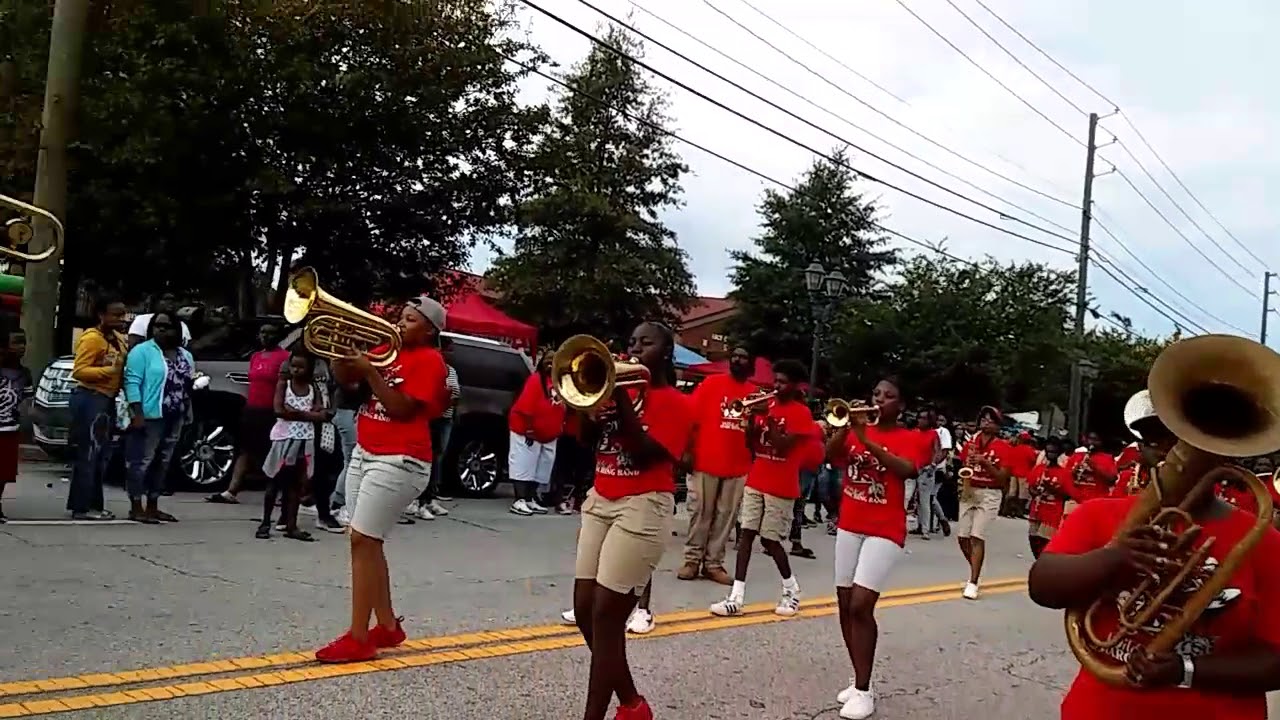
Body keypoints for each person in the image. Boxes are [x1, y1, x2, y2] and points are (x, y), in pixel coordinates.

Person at [1027, 422, 1280, 719]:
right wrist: (1114, 559)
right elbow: (1042, 586)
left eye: (1180, 439)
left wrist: (1184, 670)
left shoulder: (1266, 543)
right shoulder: (1097, 514)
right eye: (1153, 439)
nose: (1168, 450)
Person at [315, 296, 450, 663]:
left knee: (363, 539)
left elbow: (402, 408)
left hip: (402, 459)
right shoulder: (385, 349)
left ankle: (359, 637)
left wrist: (371, 371)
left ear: (430, 330)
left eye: (410, 319)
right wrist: (341, 352)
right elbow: (347, 383)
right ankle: (388, 626)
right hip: (366, 451)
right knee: (366, 543)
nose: (400, 323)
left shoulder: (431, 362)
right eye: (401, 317)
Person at [571, 321, 691, 720]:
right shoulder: (618, 393)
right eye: (632, 340)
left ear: (666, 353)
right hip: (601, 498)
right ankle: (633, 705)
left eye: (647, 342)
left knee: (606, 616)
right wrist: (589, 412)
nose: (636, 347)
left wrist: (620, 403)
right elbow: (584, 443)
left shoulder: (675, 402)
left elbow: (644, 454)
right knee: (585, 610)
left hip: (644, 505)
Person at [824, 377, 926, 720]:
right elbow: (830, 455)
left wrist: (867, 439)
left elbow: (907, 469)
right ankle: (857, 680)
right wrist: (846, 427)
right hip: (850, 524)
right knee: (843, 603)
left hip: (885, 528)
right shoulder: (854, 429)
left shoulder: (910, 438)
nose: (879, 400)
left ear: (902, 405)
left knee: (861, 604)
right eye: (876, 394)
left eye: (888, 396)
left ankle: (865, 691)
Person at [709, 359, 817, 618]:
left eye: (782, 382)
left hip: (781, 485)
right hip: (757, 478)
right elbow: (753, 446)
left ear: (795, 386)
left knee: (770, 540)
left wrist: (766, 417)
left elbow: (782, 446)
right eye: (775, 381)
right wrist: (749, 423)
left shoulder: (801, 414)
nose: (776, 386)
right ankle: (736, 596)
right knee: (745, 535)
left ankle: (791, 590)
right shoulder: (765, 406)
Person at [679, 346, 755, 585]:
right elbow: (691, 418)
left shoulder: (756, 394)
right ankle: (692, 560)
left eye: (743, 357)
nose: (738, 360)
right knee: (701, 512)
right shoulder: (711, 384)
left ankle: (713, 564)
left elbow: (756, 435)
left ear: (750, 363)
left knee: (726, 517)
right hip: (705, 459)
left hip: (738, 465)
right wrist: (688, 451)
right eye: (735, 356)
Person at [122, 311, 194, 524]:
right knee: (142, 460)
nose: (161, 330)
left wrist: (189, 410)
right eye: (157, 326)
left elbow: (187, 384)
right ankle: (136, 506)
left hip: (175, 414)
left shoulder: (185, 355)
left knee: (163, 462)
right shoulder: (142, 352)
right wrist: (137, 413)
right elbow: (132, 382)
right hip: (150, 414)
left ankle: (153, 505)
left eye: (167, 326)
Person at [207, 323, 287, 504]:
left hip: (272, 411)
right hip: (252, 408)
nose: (266, 336)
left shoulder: (284, 357)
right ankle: (232, 490)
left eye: (271, 333)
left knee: (273, 451)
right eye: (263, 332)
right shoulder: (255, 357)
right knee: (246, 450)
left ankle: (279, 491)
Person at [67, 296, 130, 521]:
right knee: (89, 454)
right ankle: (82, 507)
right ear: (101, 315)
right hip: (91, 397)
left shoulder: (119, 340)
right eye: (116, 315)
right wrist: (107, 373)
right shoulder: (92, 338)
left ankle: (94, 504)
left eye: (123, 314)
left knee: (101, 455)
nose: (121, 319)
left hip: (107, 400)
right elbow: (79, 371)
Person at [257, 349, 328, 541]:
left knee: (296, 485)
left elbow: (322, 414)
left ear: (310, 369)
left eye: (301, 367)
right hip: (283, 439)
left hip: (304, 441)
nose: (296, 370)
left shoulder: (312, 388)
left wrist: (297, 413)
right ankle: (265, 522)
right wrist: (308, 415)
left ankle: (291, 525)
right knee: (274, 482)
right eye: (293, 366)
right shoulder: (284, 385)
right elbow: (279, 410)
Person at [955, 405, 1011, 600]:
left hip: (990, 493)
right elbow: (962, 463)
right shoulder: (972, 442)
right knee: (962, 537)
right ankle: (975, 567)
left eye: (991, 420)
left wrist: (986, 463)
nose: (986, 422)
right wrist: (968, 463)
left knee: (977, 536)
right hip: (971, 489)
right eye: (984, 419)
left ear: (998, 426)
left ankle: (973, 581)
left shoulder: (1003, 447)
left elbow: (1003, 479)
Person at [506, 347, 564, 517]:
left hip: (548, 435)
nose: (550, 365)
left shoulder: (560, 382)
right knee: (524, 464)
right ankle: (520, 500)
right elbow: (526, 407)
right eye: (547, 361)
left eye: (554, 362)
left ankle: (531, 498)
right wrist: (530, 429)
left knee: (541, 468)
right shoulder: (535, 380)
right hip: (528, 431)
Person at [408, 336, 459, 521]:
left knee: (436, 460)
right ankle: (417, 501)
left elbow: (454, 394)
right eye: (448, 349)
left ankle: (429, 498)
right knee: (423, 460)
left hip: (442, 418)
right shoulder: (429, 368)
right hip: (429, 419)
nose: (451, 353)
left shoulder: (450, 371)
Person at [0, 327, 32, 522]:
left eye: (23, 343)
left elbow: (27, 400)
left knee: (4, 472)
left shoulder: (24, 373)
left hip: (10, 428)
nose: (21, 347)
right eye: (16, 342)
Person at [1026, 437, 1074, 559]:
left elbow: (1068, 495)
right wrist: (1034, 491)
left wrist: (1052, 489)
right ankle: (1040, 562)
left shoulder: (1064, 473)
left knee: (1044, 542)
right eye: (1048, 452)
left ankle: (1043, 565)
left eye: (1053, 452)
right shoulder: (1039, 469)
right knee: (1033, 539)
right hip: (1036, 510)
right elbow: (1030, 487)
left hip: (1052, 513)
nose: (1050, 454)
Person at [1065, 431, 1119, 506]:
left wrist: (1094, 466)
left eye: (1096, 440)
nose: (1092, 442)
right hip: (1076, 501)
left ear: (1101, 442)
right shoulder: (1077, 456)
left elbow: (1112, 479)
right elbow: (1065, 478)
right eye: (1090, 439)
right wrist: (1074, 471)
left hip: (1097, 501)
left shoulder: (1107, 458)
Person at [127, 293, 191, 348]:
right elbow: (134, 345)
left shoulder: (182, 325)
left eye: (174, 300)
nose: (171, 302)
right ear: (156, 302)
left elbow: (187, 348)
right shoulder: (141, 319)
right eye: (166, 299)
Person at [1002, 432, 1038, 518]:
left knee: (1012, 492)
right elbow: (1033, 460)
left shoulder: (1014, 449)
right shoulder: (1029, 450)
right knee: (1023, 494)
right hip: (1024, 473)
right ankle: (1019, 511)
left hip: (1013, 473)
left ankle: (1006, 510)